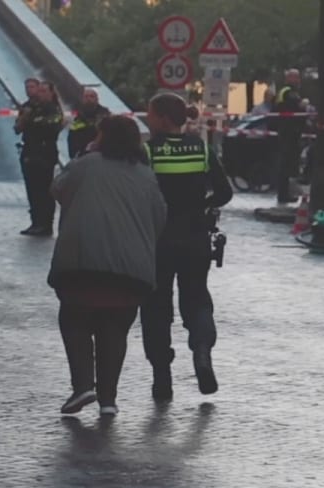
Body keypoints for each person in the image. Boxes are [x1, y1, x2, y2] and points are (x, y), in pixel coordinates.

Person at [50, 116, 167, 416]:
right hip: (131, 273)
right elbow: (159, 218)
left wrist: (84, 154)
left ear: (101, 137)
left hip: (81, 264)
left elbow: (58, 190)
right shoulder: (146, 175)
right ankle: (108, 400)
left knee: (74, 319)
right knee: (115, 328)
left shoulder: (85, 164)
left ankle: (83, 385)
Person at [141, 93, 234, 401]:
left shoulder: (149, 151)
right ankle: (203, 351)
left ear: (163, 118)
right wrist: (201, 206)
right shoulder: (201, 149)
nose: (147, 119)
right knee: (197, 299)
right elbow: (224, 192)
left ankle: (162, 378)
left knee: (156, 306)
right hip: (195, 237)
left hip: (158, 240)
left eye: (151, 115)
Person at [16, 79, 64, 236]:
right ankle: (35, 221)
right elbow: (18, 127)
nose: (40, 93)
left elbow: (52, 124)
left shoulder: (53, 109)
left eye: (44, 91)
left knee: (44, 190)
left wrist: (32, 121)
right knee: (32, 189)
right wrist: (26, 119)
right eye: (39, 90)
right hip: (29, 151)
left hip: (45, 152)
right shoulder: (29, 107)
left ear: (51, 93)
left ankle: (45, 224)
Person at [271, 69, 305, 204]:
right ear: (288, 79)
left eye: (298, 77)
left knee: (289, 164)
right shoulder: (286, 91)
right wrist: (303, 104)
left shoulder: (289, 92)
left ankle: (286, 193)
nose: (298, 80)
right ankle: (283, 195)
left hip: (291, 132)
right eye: (295, 78)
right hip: (287, 132)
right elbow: (293, 105)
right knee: (285, 164)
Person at [67, 87, 109, 159]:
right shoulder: (78, 116)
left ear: (97, 99)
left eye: (91, 96)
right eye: (86, 96)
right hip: (82, 154)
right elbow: (72, 135)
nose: (88, 99)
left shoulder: (104, 115)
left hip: (100, 155)